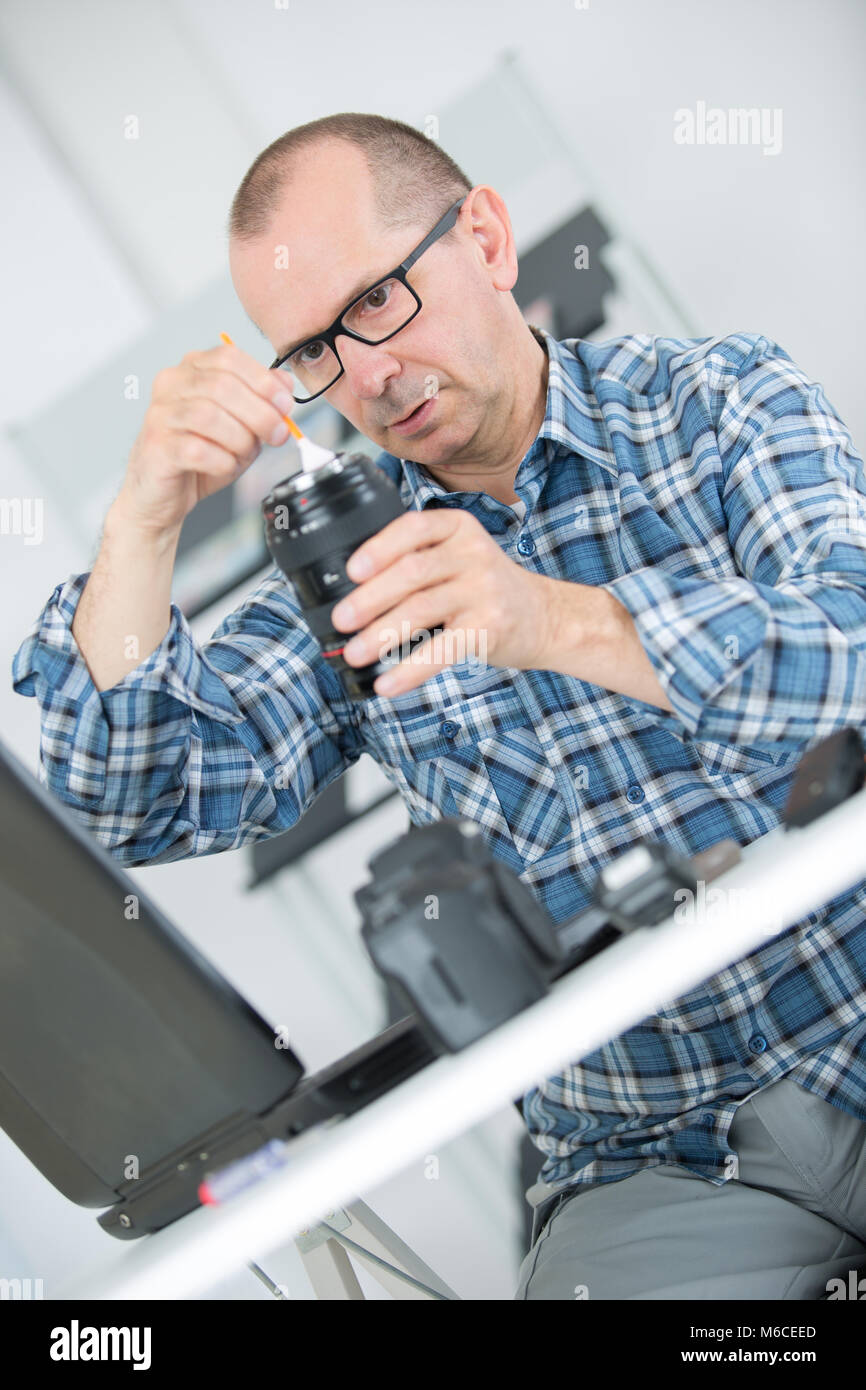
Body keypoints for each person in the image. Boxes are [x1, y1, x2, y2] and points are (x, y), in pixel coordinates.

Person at [12, 113, 866, 1300]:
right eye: (312, 351)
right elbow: (135, 800)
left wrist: (547, 618)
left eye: (376, 301)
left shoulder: (716, 402)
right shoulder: (348, 566)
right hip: (656, 1157)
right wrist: (142, 522)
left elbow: (850, 659)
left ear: (486, 236)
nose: (364, 376)